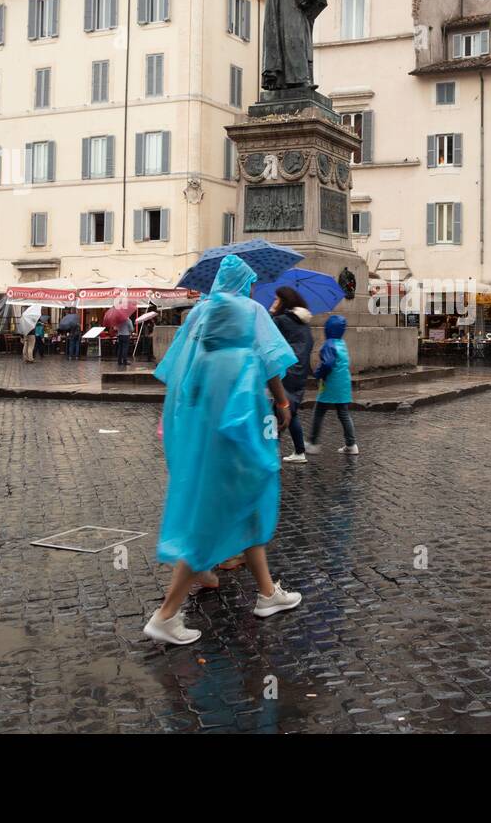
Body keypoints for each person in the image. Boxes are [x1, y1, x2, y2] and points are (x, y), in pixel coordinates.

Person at [143, 255, 302, 645]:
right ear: (245, 286)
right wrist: (282, 404)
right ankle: (166, 614)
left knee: (241, 505)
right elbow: (272, 364)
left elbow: (179, 375)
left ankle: (267, 593)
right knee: (219, 511)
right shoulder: (250, 315)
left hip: (202, 429)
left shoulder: (200, 316)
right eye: (248, 285)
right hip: (237, 434)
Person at [271, 287, 315, 464]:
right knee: (291, 411)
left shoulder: (280, 320)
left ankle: (272, 453)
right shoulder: (303, 323)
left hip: (284, 373)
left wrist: (270, 316)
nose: (274, 303)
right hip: (300, 372)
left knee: (277, 411)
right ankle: (299, 451)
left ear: (284, 302)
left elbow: (268, 342)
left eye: (276, 300)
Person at [306, 315, 358, 455]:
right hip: (343, 383)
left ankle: (313, 442)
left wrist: (318, 373)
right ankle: (351, 444)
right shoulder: (341, 343)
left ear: (328, 329)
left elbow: (327, 364)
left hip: (330, 384)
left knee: (319, 412)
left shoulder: (329, 344)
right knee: (343, 414)